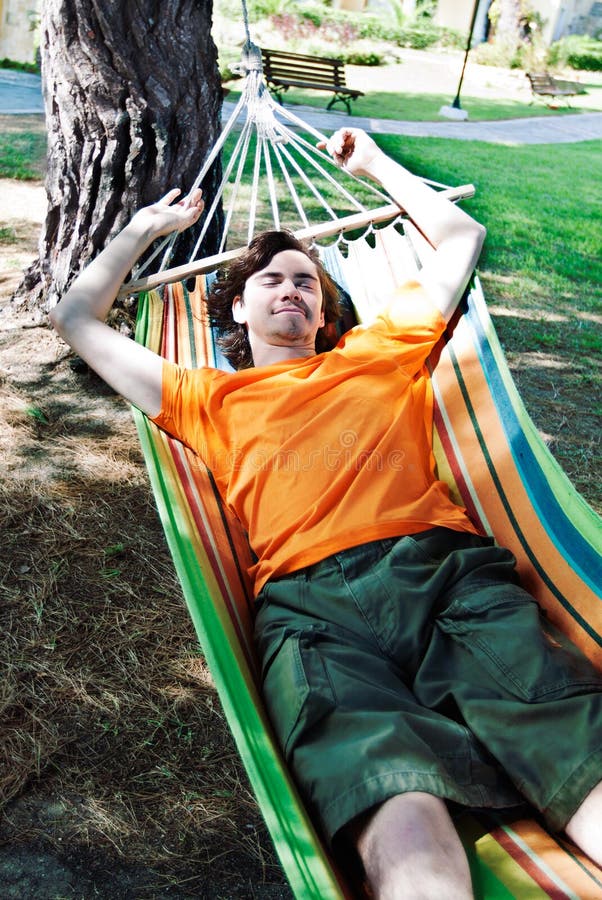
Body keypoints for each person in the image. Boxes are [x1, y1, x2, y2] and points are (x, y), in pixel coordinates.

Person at [50, 128, 602, 899]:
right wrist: (143, 231)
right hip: (310, 615)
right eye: (271, 280)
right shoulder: (205, 398)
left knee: (566, 735)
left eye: (307, 282)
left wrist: (374, 165)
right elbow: (76, 320)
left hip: (442, 575)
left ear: (325, 312)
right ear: (236, 311)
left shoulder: (377, 350)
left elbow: (460, 235)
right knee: (386, 788)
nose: (291, 290)